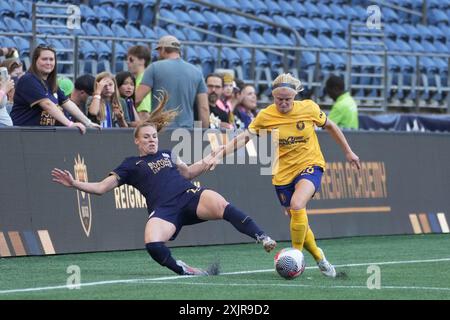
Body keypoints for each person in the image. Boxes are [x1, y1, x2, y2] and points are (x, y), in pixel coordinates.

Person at [51, 91, 277, 276]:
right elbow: (101, 188)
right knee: (152, 243)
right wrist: (75, 183)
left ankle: (262, 237)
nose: (152, 140)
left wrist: (209, 159)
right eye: (147, 137)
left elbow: (188, 173)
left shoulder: (168, 154)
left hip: (190, 195)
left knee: (221, 205)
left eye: (154, 136)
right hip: (164, 210)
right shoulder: (130, 165)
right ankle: (185, 270)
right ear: (136, 140)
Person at [212, 73, 361, 278]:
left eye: (287, 99)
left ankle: (296, 256)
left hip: (310, 165)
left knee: (297, 204)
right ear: (273, 97)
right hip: (282, 174)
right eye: (279, 99)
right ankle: (320, 257)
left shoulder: (308, 108)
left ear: (295, 97)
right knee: (297, 217)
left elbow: (331, 126)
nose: (283, 103)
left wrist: (348, 151)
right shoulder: (266, 115)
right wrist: (221, 151)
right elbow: (244, 137)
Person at [10, 45, 100, 132]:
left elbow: (68, 103)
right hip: (24, 135)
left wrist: (88, 123)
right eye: (44, 59)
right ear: (35, 60)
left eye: (51, 59)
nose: (48, 63)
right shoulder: (28, 79)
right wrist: (69, 124)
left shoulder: (50, 83)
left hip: (43, 136)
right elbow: (47, 104)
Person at [135, 35, 209, 128]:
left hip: (160, 130)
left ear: (162, 50)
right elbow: (204, 109)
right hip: (186, 133)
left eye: (158, 51)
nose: (158, 54)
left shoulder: (154, 67)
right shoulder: (197, 72)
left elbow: (137, 99)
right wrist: (203, 133)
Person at [126, 45, 152, 120]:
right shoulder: (139, 79)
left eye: (131, 59)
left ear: (142, 61)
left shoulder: (143, 80)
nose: (127, 62)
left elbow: (143, 112)